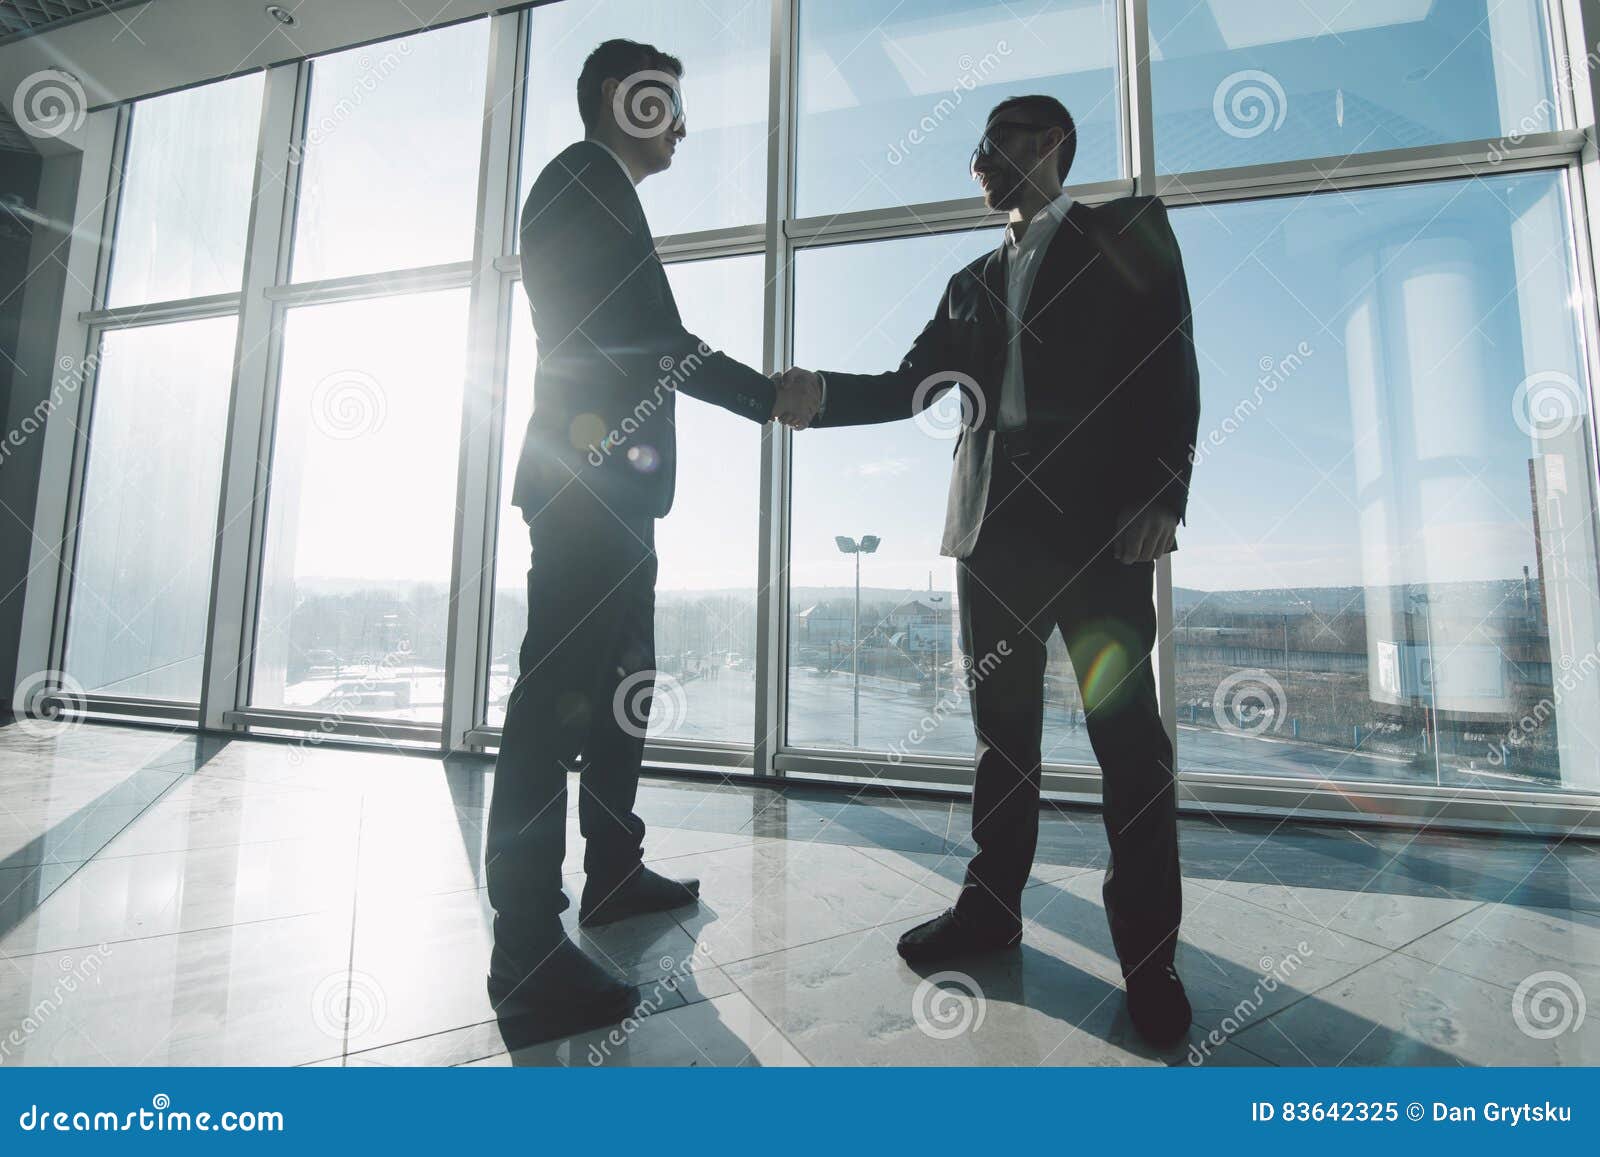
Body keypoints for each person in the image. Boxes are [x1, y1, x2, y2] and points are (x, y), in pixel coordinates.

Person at [777, 95, 1201, 1047]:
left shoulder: (1127, 232)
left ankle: (1149, 958)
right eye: (974, 153)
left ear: (1052, 142)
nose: (979, 165)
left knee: (1127, 746)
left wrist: (1164, 492)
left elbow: (1172, 360)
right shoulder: (970, 281)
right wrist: (819, 397)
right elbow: (912, 383)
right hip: (993, 536)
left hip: (1098, 537)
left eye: (996, 145)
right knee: (1000, 740)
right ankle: (989, 909)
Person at [486, 37, 820, 1040]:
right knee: (556, 703)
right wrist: (769, 394)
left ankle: (614, 871)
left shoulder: (595, 189)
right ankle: (525, 950)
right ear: (612, 102)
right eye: (662, 103)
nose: (678, 123)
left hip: (607, 486)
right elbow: (653, 342)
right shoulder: (587, 176)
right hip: (588, 481)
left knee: (622, 682)